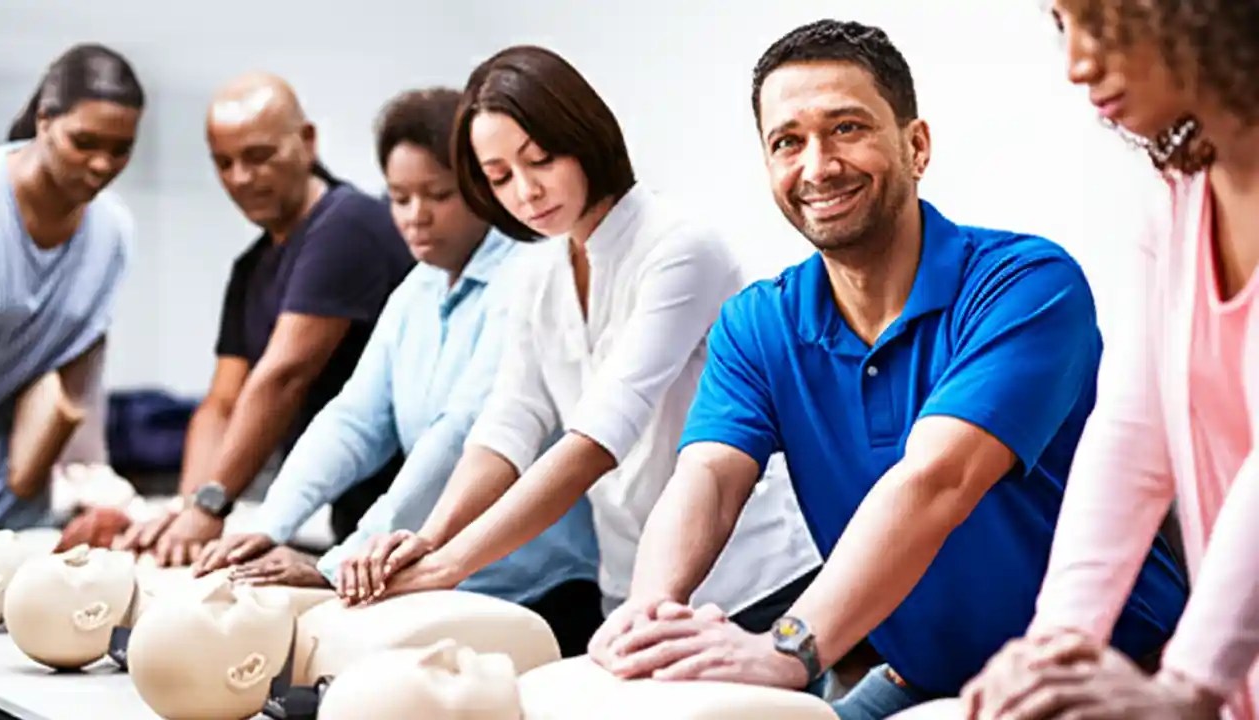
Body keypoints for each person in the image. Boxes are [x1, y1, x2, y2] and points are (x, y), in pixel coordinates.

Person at [582, 19, 1190, 720]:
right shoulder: (758, 324)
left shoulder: (1025, 285)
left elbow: (937, 480)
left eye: (846, 128)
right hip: (922, 678)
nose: (818, 166)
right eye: (788, 142)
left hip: (1103, 673)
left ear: (916, 146)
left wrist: (788, 646)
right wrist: (649, 613)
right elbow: (710, 479)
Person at [342, 45, 821, 630]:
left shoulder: (680, 247)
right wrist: (429, 538)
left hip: (753, 579)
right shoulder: (538, 272)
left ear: (583, 136)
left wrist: (450, 565)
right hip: (632, 589)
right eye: (500, 177)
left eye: (540, 160)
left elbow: (599, 436)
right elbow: (508, 423)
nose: (526, 191)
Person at [189, 88, 602, 656]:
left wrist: (340, 562)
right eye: (400, 198)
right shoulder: (417, 289)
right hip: (440, 584)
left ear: (482, 187)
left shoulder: (528, 279)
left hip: (541, 591)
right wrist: (266, 528)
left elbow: (458, 439)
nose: (415, 216)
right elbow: (355, 420)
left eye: (439, 195)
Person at [955, 2, 1259, 719]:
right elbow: (1132, 436)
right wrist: (1055, 646)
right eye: (1065, 25)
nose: (1078, 64)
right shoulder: (1179, 202)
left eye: (1101, 20)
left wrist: (1188, 681)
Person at [116, 73, 415, 566]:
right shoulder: (251, 268)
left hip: (409, 522)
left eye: (258, 156)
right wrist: (186, 509)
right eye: (224, 163)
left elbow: (282, 377)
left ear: (307, 141)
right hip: (353, 526)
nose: (240, 177)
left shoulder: (346, 227)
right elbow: (222, 403)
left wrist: (211, 506)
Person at [0, 44, 144, 530]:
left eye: (120, 149)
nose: (102, 164)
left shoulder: (112, 232)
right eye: (84, 142)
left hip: (12, 508)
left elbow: (80, 372)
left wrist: (91, 485)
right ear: (45, 120)